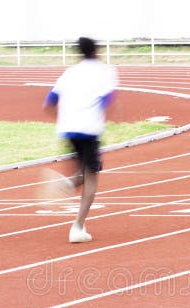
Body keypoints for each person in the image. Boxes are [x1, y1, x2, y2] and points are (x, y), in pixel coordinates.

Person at [43, 36, 118, 243]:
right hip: (89, 129)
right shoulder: (106, 72)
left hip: (68, 130)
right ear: (96, 51)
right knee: (91, 177)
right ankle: (77, 227)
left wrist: (66, 119)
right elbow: (109, 101)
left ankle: (66, 184)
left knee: (86, 171)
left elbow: (48, 104)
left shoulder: (69, 73)